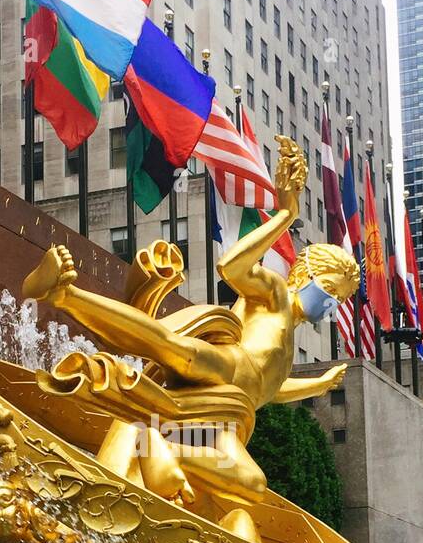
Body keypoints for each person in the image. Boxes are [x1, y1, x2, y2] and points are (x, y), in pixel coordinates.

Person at [22, 136, 359, 508]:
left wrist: (318, 385)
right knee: (172, 347)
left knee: (253, 483)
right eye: (330, 289)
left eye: (338, 300)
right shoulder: (275, 292)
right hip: (226, 365)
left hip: (230, 413)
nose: (331, 303)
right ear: (305, 274)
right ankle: (62, 293)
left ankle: (159, 447)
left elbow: (271, 390)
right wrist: (285, 215)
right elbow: (231, 266)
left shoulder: (288, 348)